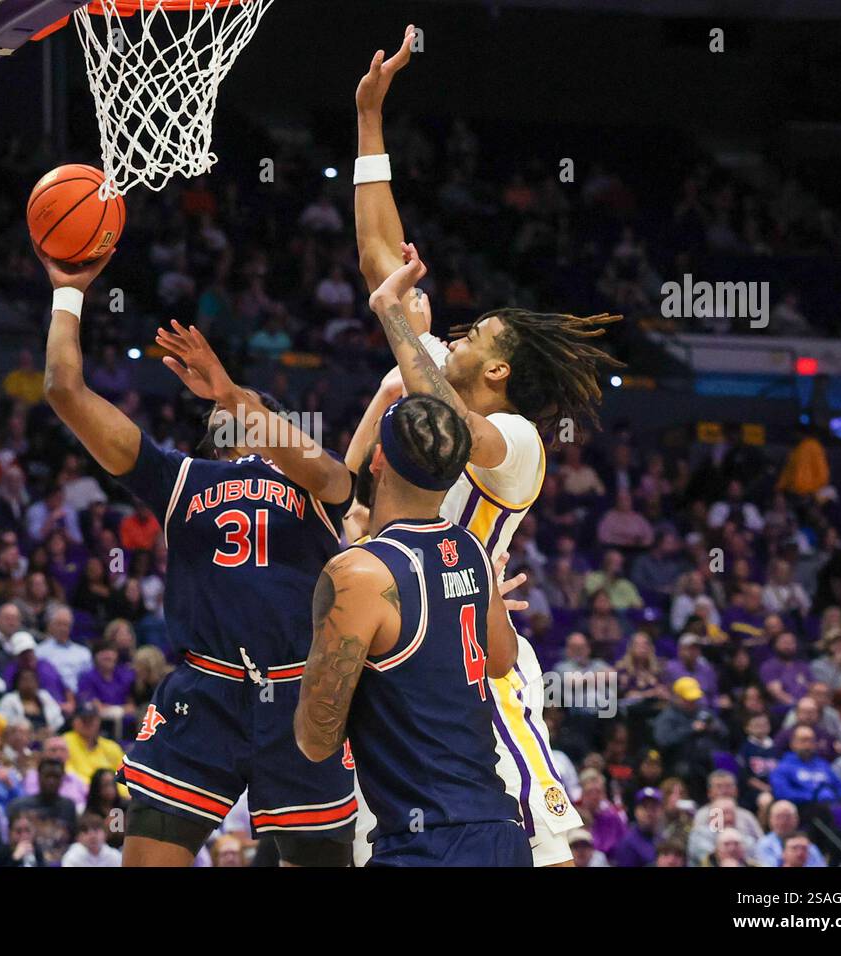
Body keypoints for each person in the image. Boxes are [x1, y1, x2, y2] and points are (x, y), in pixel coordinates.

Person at [346, 34, 618, 865]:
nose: (455, 331)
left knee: (544, 850)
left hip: (478, 658)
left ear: (496, 368)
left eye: (473, 332)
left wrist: (398, 323)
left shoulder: (519, 443)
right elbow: (380, 259)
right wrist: (369, 120)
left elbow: (445, 417)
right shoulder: (428, 389)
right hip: (399, 662)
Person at [40, 246, 357, 867]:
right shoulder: (179, 477)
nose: (235, 413)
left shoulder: (312, 484)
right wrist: (67, 293)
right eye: (223, 409)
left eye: (251, 410)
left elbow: (332, 472)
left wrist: (236, 394)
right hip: (203, 693)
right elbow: (63, 390)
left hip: (302, 694)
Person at [295, 393, 530, 866]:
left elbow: (315, 741)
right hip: (501, 834)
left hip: (427, 844)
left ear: (378, 458)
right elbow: (502, 661)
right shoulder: (470, 549)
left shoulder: (358, 573)